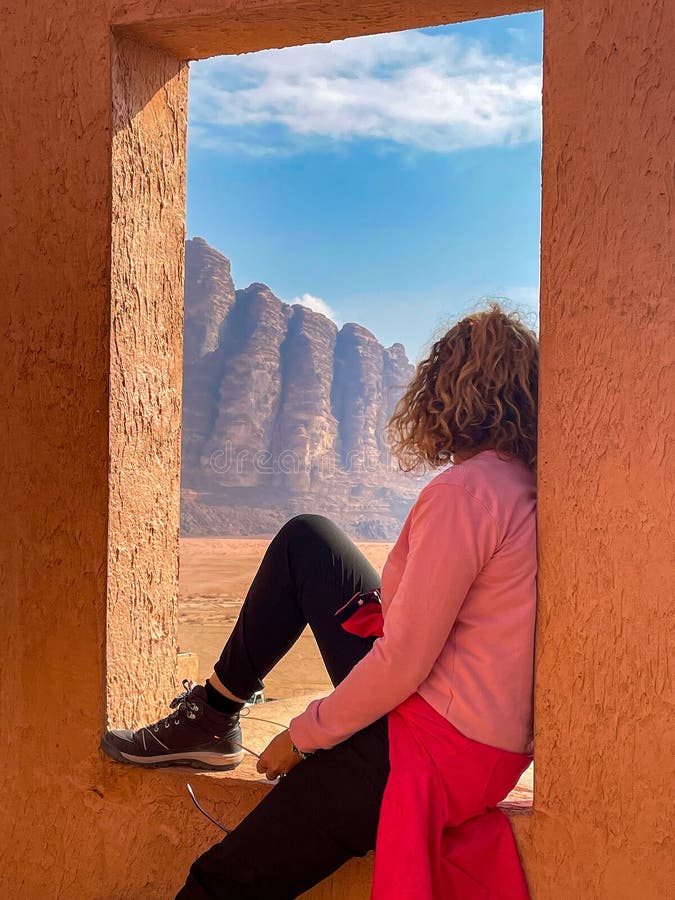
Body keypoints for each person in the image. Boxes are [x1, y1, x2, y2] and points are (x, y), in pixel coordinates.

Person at [101, 301, 539, 899]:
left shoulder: (466, 494)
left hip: (426, 748)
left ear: (447, 392)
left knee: (217, 885)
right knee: (310, 540)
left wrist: (303, 735)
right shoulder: (520, 486)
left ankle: (213, 717)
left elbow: (404, 661)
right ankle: (214, 712)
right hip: (484, 748)